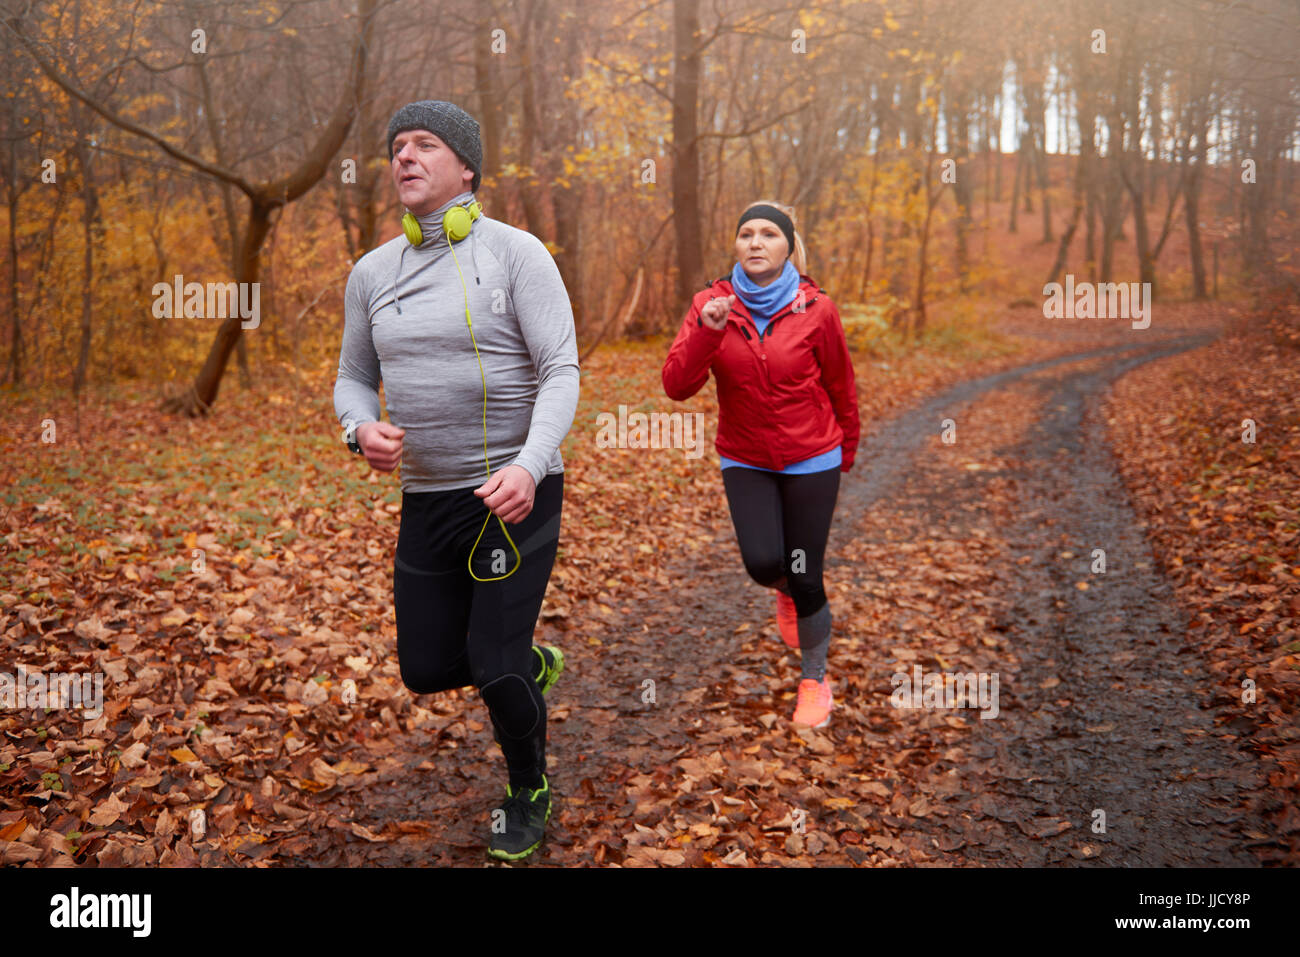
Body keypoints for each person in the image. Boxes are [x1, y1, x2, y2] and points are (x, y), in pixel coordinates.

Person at [333, 100, 579, 860]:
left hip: (512, 491)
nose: (405, 156)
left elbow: (561, 370)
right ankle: (531, 663)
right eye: (396, 146)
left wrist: (529, 463)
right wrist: (359, 429)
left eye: (425, 144)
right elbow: (351, 378)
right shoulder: (372, 271)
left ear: (466, 167)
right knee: (427, 668)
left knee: (493, 661)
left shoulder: (516, 254)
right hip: (427, 495)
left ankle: (526, 786)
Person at [662, 200, 859, 730]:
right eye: (746, 233)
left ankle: (814, 681)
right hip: (745, 457)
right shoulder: (711, 304)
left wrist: (847, 450)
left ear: (788, 246)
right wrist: (706, 330)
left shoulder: (817, 309)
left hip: (812, 454)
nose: (755, 242)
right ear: (735, 245)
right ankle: (785, 593)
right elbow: (677, 386)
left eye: (769, 233)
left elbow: (841, 383)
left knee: (805, 568)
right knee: (762, 562)